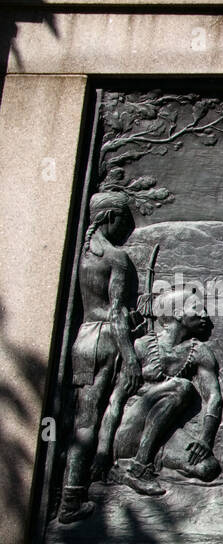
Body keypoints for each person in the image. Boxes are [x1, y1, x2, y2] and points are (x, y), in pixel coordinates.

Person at [57, 190, 147, 523]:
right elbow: (117, 314)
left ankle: (74, 484)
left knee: (83, 415)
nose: (129, 230)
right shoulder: (116, 258)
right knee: (90, 420)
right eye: (126, 221)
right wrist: (131, 355)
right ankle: (70, 502)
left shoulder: (79, 256)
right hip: (106, 342)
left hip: (83, 339)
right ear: (110, 217)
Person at [108, 288, 223, 494]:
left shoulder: (200, 352)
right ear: (179, 313)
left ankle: (141, 468)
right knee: (183, 386)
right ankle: (139, 469)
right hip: (130, 430)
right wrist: (102, 452)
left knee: (207, 467)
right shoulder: (142, 346)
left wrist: (205, 439)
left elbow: (214, 397)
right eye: (198, 308)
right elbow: (116, 399)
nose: (205, 315)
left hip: (164, 435)